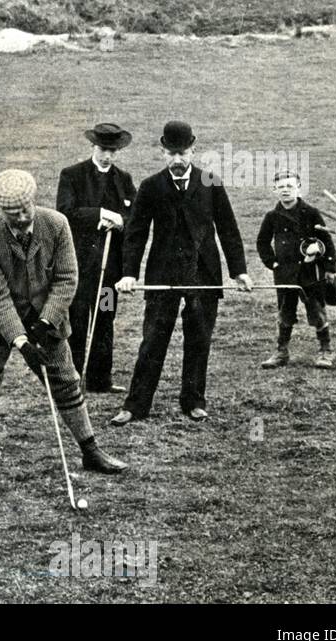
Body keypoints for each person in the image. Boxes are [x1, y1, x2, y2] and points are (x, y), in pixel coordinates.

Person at [0, 169, 125, 483]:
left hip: (47, 314)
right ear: (0, 211)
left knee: (66, 381)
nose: (22, 216)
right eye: (12, 212)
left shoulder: (56, 224)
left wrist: (45, 323)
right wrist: (21, 341)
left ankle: (91, 450)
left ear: (34, 200)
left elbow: (67, 278)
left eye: (26, 208)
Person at [111, 121, 252, 425]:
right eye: (171, 153)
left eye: (183, 153)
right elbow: (135, 233)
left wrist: (238, 271)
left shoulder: (211, 182)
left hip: (204, 274)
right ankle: (135, 406)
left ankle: (194, 401)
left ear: (193, 149)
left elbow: (228, 229)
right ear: (162, 152)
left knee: (199, 337)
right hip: (164, 274)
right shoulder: (150, 186)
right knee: (152, 340)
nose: (177, 160)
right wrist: (129, 273)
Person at [56, 123, 136, 393]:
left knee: (105, 317)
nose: (107, 156)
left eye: (113, 151)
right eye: (103, 149)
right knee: (77, 319)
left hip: (109, 270)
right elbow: (65, 212)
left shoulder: (123, 179)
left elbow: (134, 217)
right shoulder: (72, 175)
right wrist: (100, 215)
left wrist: (121, 222)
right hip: (79, 266)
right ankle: (72, 377)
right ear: (93, 147)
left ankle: (101, 379)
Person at [256, 170, 336, 369]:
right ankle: (281, 352)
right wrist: (272, 263)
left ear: (298, 188)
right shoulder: (272, 216)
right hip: (285, 274)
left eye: (290, 186)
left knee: (317, 312)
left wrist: (329, 267)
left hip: (311, 274)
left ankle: (325, 351)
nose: (285, 190)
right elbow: (262, 242)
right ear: (275, 190)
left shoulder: (311, 213)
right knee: (285, 313)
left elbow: (326, 240)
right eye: (281, 187)